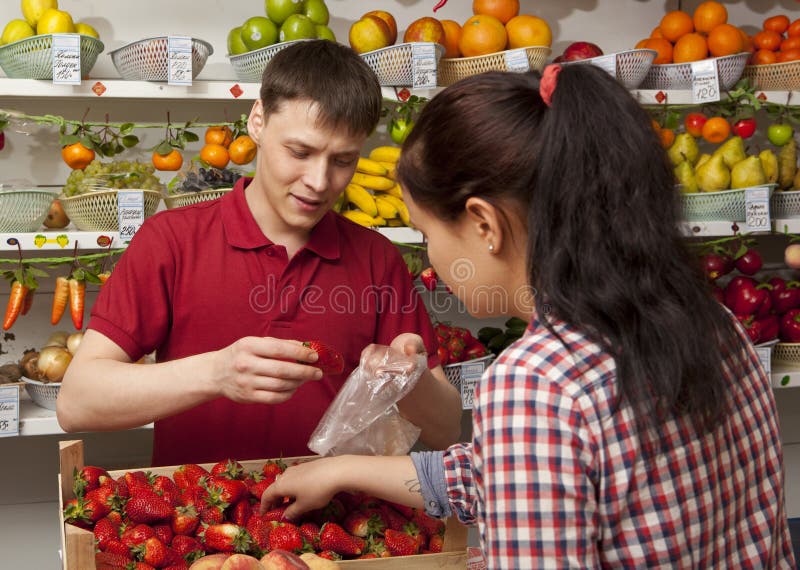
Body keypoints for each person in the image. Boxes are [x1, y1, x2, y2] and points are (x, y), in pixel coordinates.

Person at [260, 65, 797, 568]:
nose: (435, 260)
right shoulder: (710, 322)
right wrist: (340, 471)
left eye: (428, 235)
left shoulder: (534, 382)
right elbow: (513, 471)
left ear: (484, 225)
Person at [56, 40, 462, 466]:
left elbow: (445, 429)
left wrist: (411, 379)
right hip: (201, 521)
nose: (319, 181)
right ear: (258, 122)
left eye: (343, 160)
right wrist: (216, 373)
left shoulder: (379, 260)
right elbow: (77, 403)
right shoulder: (171, 240)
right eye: (300, 152)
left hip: (336, 521)